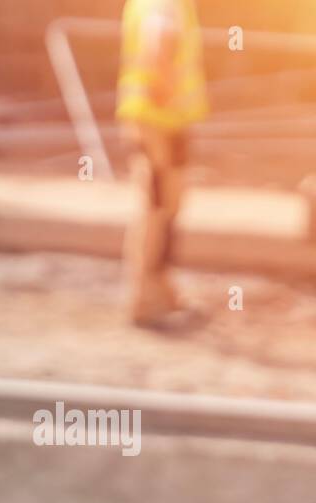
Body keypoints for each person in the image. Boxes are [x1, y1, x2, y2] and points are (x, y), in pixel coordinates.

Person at [116, 0, 208, 333]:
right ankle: (145, 299)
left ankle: (163, 291)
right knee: (156, 211)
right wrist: (165, 93)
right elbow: (157, 47)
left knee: (166, 209)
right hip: (161, 122)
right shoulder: (164, 3)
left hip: (164, 121)